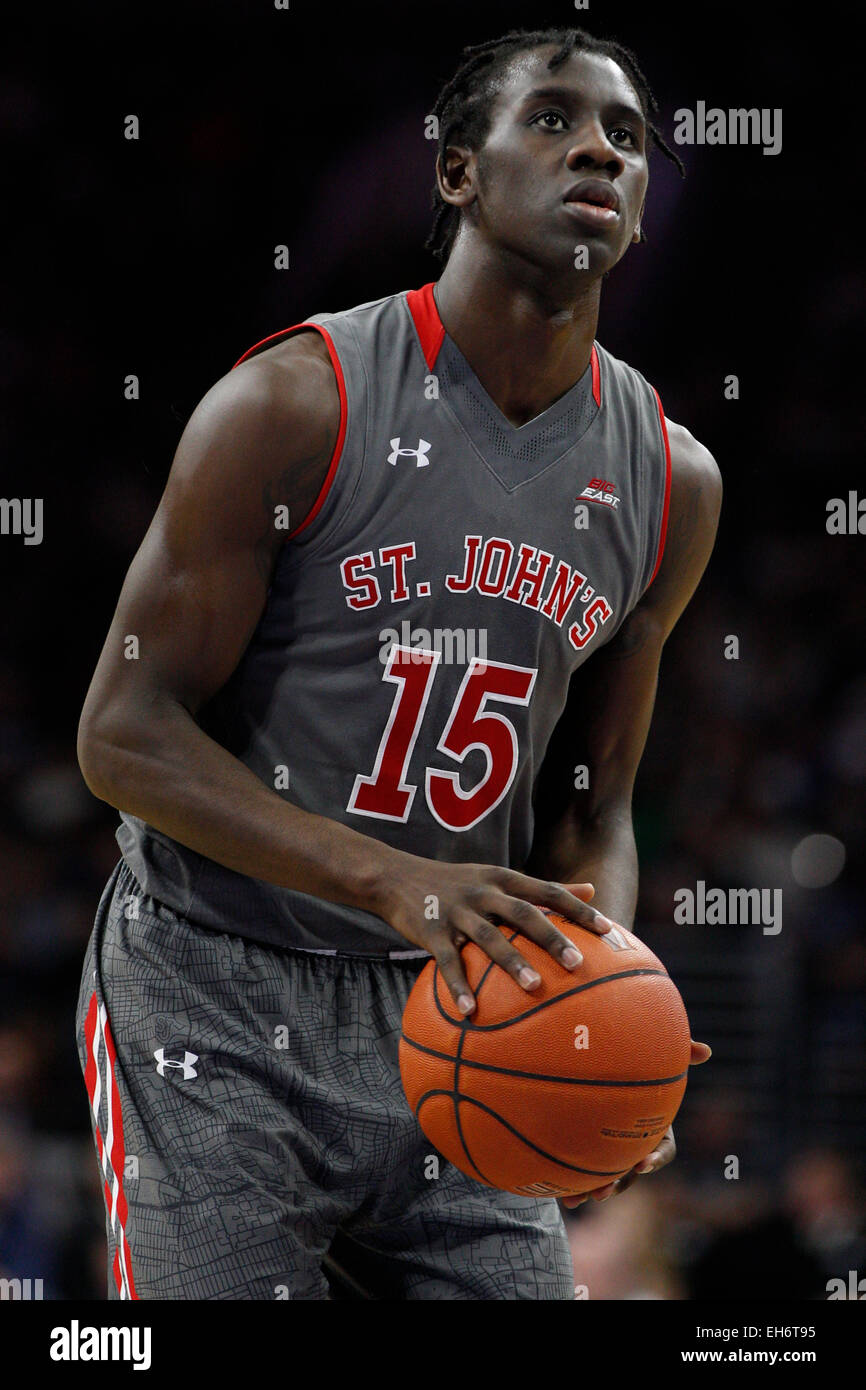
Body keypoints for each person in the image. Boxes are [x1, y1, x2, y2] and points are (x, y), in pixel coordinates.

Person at [75, 25, 719, 1301]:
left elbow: (594, 808)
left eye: (628, 137)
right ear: (456, 175)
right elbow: (121, 734)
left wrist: (602, 1010)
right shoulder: (293, 404)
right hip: (213, 985)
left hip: (461, 1007)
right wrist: (396, 882)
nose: (598, 147)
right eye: (550, 118)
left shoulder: (668, 479)